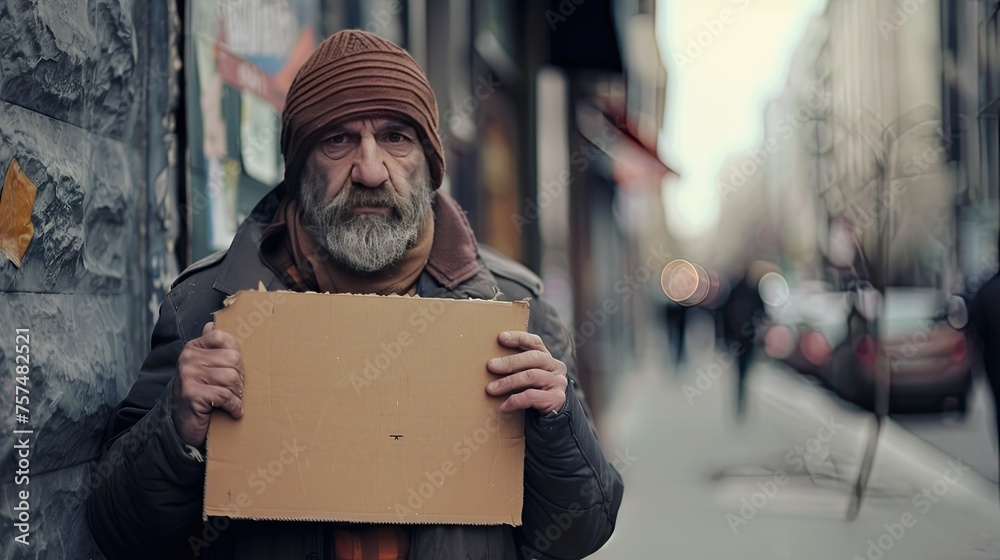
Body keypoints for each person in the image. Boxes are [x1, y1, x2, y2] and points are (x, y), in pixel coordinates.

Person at [87, 29, 623, 560]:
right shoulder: (207, 305)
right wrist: (176, 428)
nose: (370, 170)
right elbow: (120, 533)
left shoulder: (509, 309)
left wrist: (558, 422)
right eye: (338, 139)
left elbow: (580, 531)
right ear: (300, 170)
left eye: (396, 137)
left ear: (430, 166)